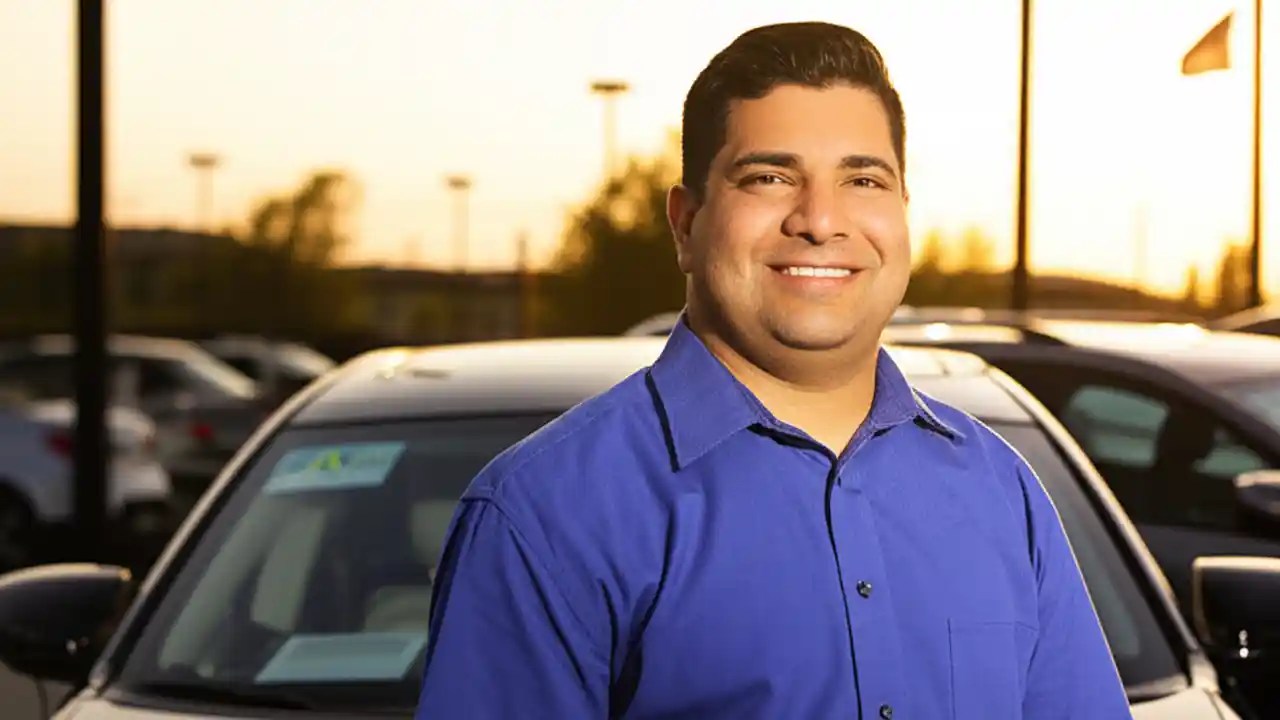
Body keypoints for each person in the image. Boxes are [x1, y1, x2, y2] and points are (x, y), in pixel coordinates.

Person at [416, 21, 1131, 719]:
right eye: (769, 177)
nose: (821, 219)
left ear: (903, 213)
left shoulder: (1001, 491)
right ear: (686, 224)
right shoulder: (546, 513)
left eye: (863, 180)